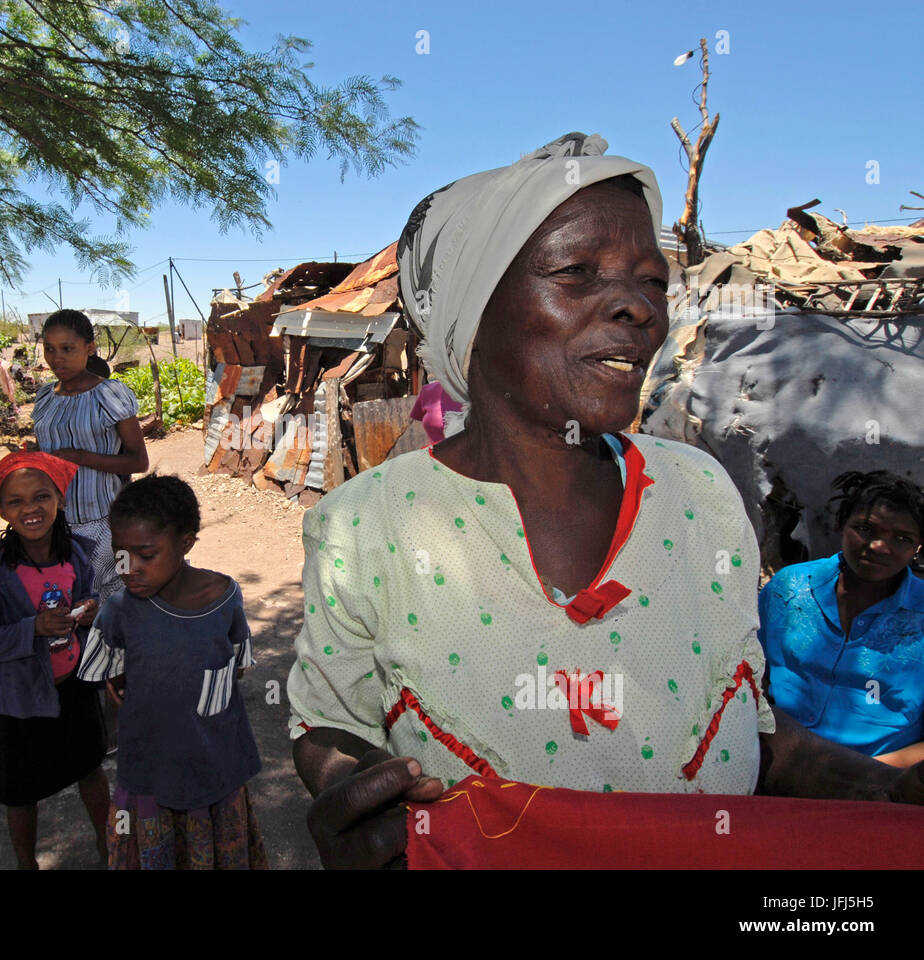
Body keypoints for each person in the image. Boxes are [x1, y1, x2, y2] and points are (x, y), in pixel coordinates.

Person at [286, 132, 924, 869]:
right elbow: (329, 724)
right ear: (474, 312)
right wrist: (359, 791)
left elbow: (740, 723)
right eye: (577, 272)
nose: (639, 307)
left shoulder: (701, 493)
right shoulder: (364, 526)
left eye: (652, 281)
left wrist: (883, 793)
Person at [77, 475, 266, 869]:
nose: (129, 569)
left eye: (146, 555)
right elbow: (106, 670)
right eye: (120, 555)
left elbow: (236, 665)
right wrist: (119, 680)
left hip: (216, 760)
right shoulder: (120, 610)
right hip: (151, 767)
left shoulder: (224, 597)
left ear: (186, 543)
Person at [0, 451, 108, 869]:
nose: (31, 508)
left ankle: (108, 845)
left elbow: (86, 599)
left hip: (75, 688)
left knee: (91, 769)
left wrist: (89, 611)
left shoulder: (76, 554)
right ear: (2, 510)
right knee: (20, 793)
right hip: (23, 700)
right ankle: (27, 863)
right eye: (16, 501)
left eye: (41, 496)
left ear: (60, 498)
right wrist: (33, 629)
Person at [759, 470, 924, 768]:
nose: (879, 546)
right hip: (774, 760)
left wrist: (863, 775)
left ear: (918, 547)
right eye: (865, 528)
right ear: (841, 524)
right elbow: (746, 678)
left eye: (902, 538)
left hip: (882, 778)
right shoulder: (789, 589)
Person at [31, 310, 149, 603]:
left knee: (106, 601)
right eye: (49, 349)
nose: (57, 358)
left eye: (67, 349)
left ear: (89, 348)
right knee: (62, 601)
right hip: (51, 523)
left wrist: (79, 457)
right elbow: (45, 451)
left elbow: (139, 461)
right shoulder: (45, 397)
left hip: (100, 521)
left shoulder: (109, 394)